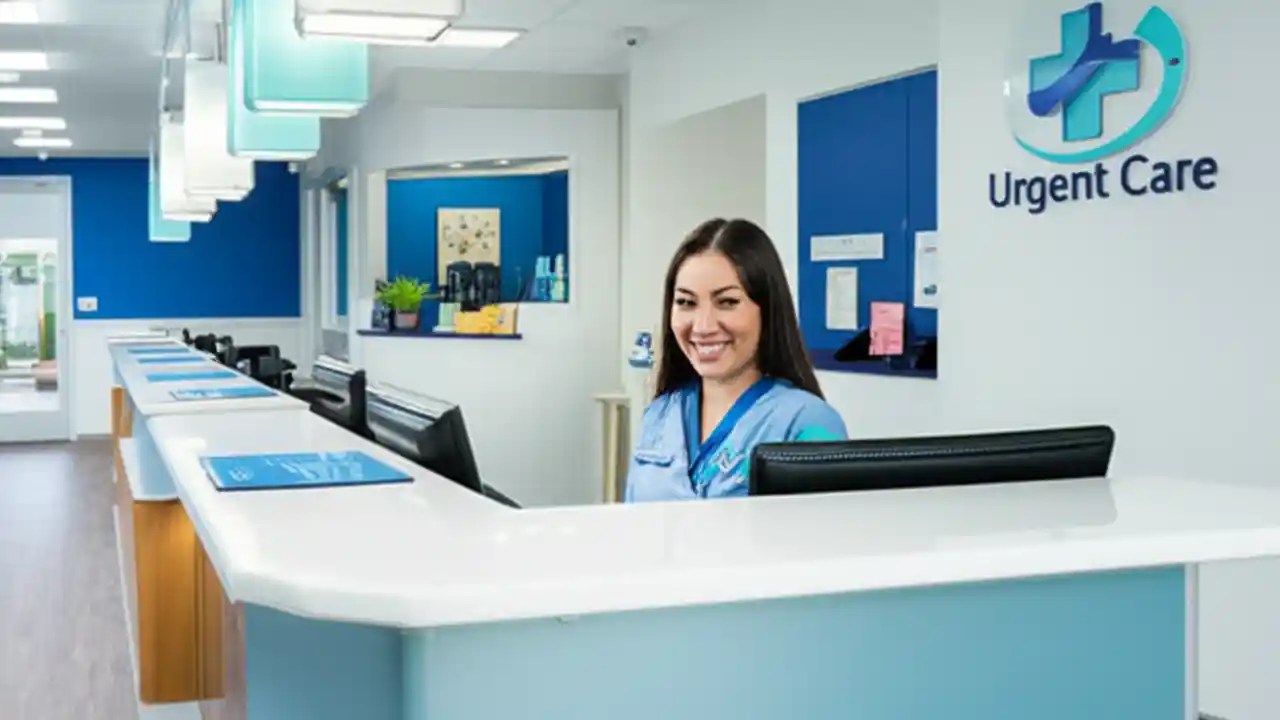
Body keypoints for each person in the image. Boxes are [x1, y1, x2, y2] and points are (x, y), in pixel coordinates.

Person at [624, 218, 848, 502]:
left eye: (727, 302)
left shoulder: (807, 422)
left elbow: (822, 539)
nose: (703, 326)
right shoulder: (660, 414)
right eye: (686, 303)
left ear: (767, 310)